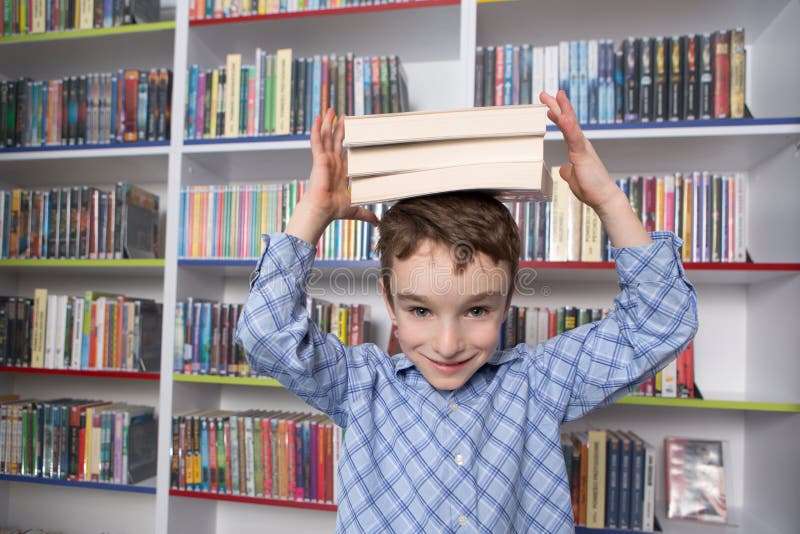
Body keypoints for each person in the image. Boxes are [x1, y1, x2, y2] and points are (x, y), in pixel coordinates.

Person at [235, 91, 698, 532]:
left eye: (476, 310)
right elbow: (266, 334)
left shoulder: (538, 384)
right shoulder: (360, 387)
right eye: (420, 311)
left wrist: (610, 201)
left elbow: (659, 323)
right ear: (389, 300)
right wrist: (314, 211)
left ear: (508, 299)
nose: (448, 344)